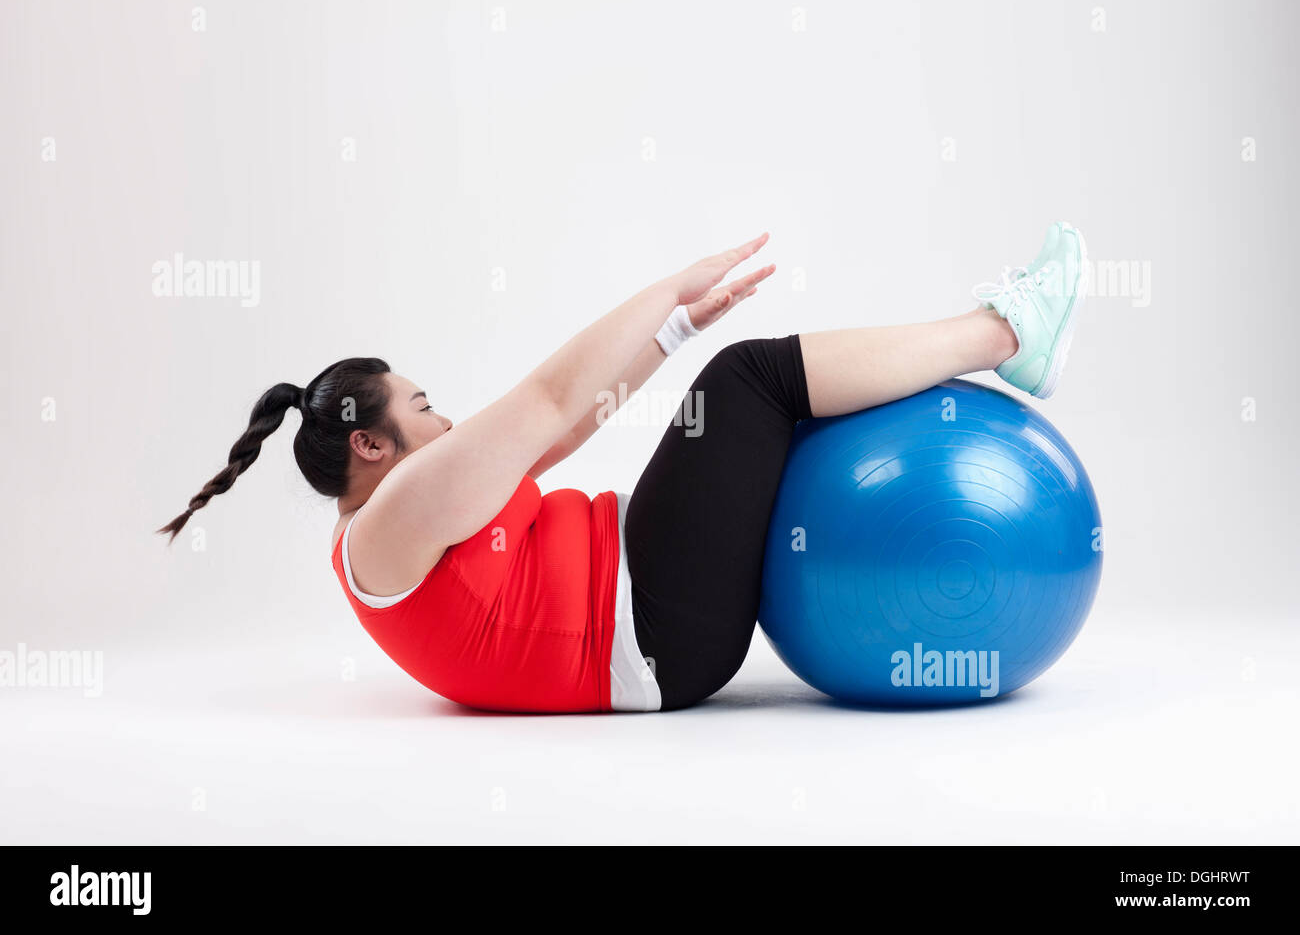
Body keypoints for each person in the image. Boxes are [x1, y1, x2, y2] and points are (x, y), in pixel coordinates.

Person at [158, 221, 1088, 713]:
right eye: (421, 405)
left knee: (745, 396)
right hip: (655, 634)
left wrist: (677, 330)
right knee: (750, 382)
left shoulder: (407, 519)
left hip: (656, 595)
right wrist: (664, 291)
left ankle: (999, 332)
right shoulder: (389, 524)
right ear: (370, 444)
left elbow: (562, 437)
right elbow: (548, 406)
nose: (443, 417)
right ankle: (1005, 332)